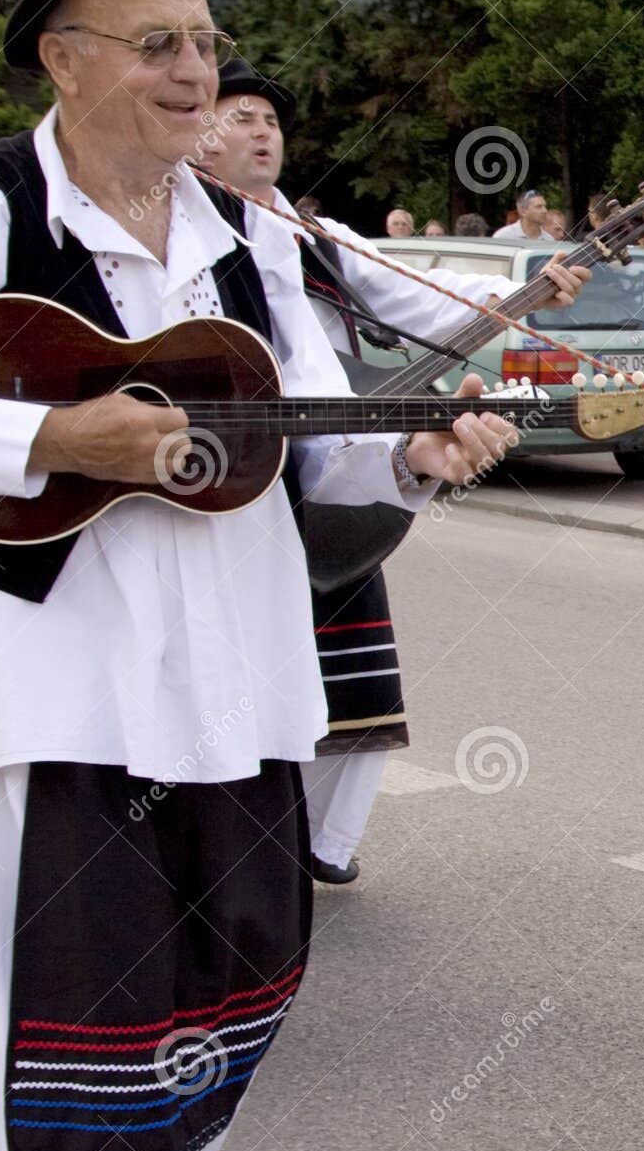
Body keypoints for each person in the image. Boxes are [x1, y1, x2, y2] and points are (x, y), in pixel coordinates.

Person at [0, 0, 523, 1151]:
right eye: (156, 43)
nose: (193, 73)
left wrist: (411, 455)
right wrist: (56, 436)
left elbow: (314, 446)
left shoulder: (249, 235)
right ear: (63, 57)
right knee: (90, 993)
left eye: (205, 44)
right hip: (62, 680)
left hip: (238, 674)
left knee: (247, 956)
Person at [199, 58, 586, 886]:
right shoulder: (178, 230)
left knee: (351, 665)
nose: (262, 132)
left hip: (325, 458)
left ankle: (318, 840)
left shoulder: (311, 236)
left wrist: (520, 293)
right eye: (241, 116)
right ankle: (234, 845)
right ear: (196, 133)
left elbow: (414, 292)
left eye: (271, 120)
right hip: (221, 483)